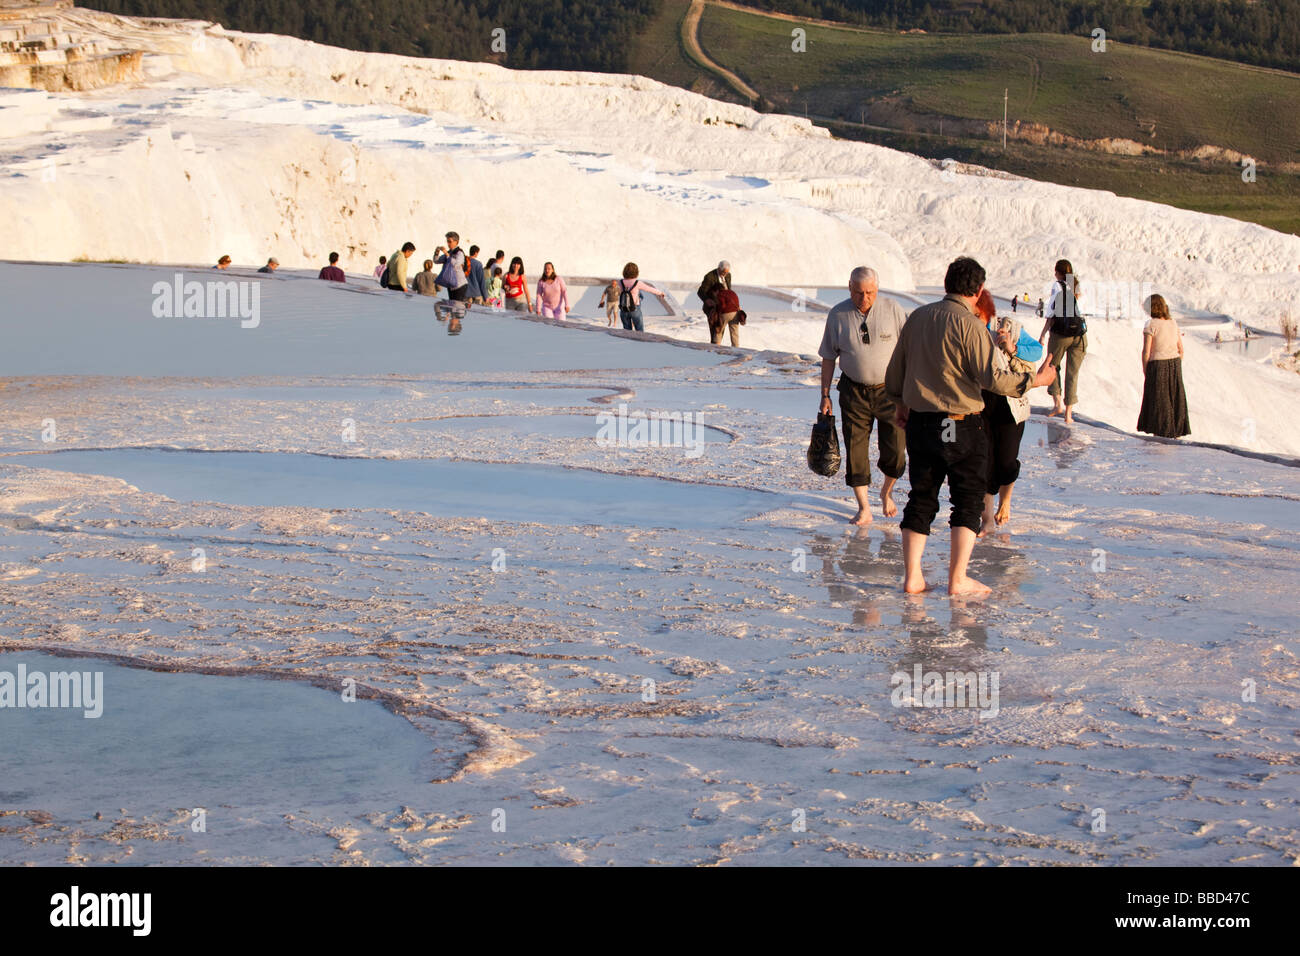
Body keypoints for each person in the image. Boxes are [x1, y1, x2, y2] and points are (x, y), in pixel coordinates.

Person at [884, 256, 1056, 596]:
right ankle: (957, 579)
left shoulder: (917, 318)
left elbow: (894, 375)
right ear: (978, 290)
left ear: (947, 283)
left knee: (921, 498)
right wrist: (1037, 381)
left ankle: (913, 577)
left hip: (922, 424)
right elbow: (993, 378)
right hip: (959, 425)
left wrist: (902, 405)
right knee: (966, 500)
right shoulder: (972, 326)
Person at [818, 266, 909, 526]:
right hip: (853, 391)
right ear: (849, 287)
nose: (864, 298)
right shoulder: (838, 314)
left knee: (895, 451)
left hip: (890, 391)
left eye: (869, 292)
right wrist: (824, 395)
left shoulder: (893, 309)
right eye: (858, 292)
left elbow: (909, 349)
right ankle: (864, 507)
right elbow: (827, 357)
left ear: (877, 290)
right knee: (855, 450)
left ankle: (886, 492)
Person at [973, 289, 1043, 535]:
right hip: (980, 402)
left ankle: (1006, 501)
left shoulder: (1008, 325)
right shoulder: (967, 329)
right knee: (985, 461)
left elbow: (1036, 352)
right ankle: (987, 520)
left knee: (1006, 460)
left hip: (1011, 404)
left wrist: (1011, 347)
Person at [1038, 258, 1086, 424]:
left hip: (1061, 334)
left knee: (1052, 366)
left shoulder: (1057, 286)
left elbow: (1052, 312)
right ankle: (1068, 414)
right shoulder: (1076, 285)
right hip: (1079, 335)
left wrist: (1043, 334)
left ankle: (1057, 404)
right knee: (1072, 373)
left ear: (1059, 272)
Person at [1137, 293, 1191, 438]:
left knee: (1159, 401)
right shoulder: (1172, 322)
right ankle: (1176, 434)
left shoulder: (1151, 324)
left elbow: (1146, 351)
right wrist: (1175, 363)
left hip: (1158, 364)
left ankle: (1160, 436)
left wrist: (1146, 370)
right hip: (1174, 363)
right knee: (1175, 399)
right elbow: (1181, 349)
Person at [616, 263, 668, 333]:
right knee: (639, 331)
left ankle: (629, 343)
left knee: (627, 332)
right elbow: (649, 289)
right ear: (636, 272)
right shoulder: (637, 283)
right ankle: (639, 344)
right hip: (634, 309)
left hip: (623, 309)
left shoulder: (620, 282)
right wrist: (660, 293)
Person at [698, 260, 732, 342]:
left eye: (727, 272)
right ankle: (714, 344)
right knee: (714, 326)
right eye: (723, 272)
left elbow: (729, 290)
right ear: (719, 269)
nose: (725, 274)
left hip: (723, 305)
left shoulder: (728, 276)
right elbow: (700, 291)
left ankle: (717, 343)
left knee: (722, 325)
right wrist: (707, 300)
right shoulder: (710, 277)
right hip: (712, 305)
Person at [434, 232, 468, 303]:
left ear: (456, 242)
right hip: (451, 284)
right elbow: (436, 261)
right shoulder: (450, 252)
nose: (448, 244)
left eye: (450, 242)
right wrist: (436, 252)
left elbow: (456, 264)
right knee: (452, 306)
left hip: (460, 285)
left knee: (458, 307)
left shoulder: (459, 253)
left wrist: (447, 254)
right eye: (447, 241)